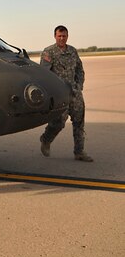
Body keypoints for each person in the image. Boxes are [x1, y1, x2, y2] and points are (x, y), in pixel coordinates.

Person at [39, 25, 93, 162]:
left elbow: (79, 70)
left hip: (75, 93)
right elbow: (44, 75)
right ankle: (46, 139)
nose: (62, 38)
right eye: (59, 36)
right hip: (59, 95)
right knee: (58, 123)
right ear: (55, 36)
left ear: (67, 36)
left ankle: (79, 152)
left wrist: (79, 85)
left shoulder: (73, 51)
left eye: (64, 36)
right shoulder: (48, 52)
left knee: (79, 122)